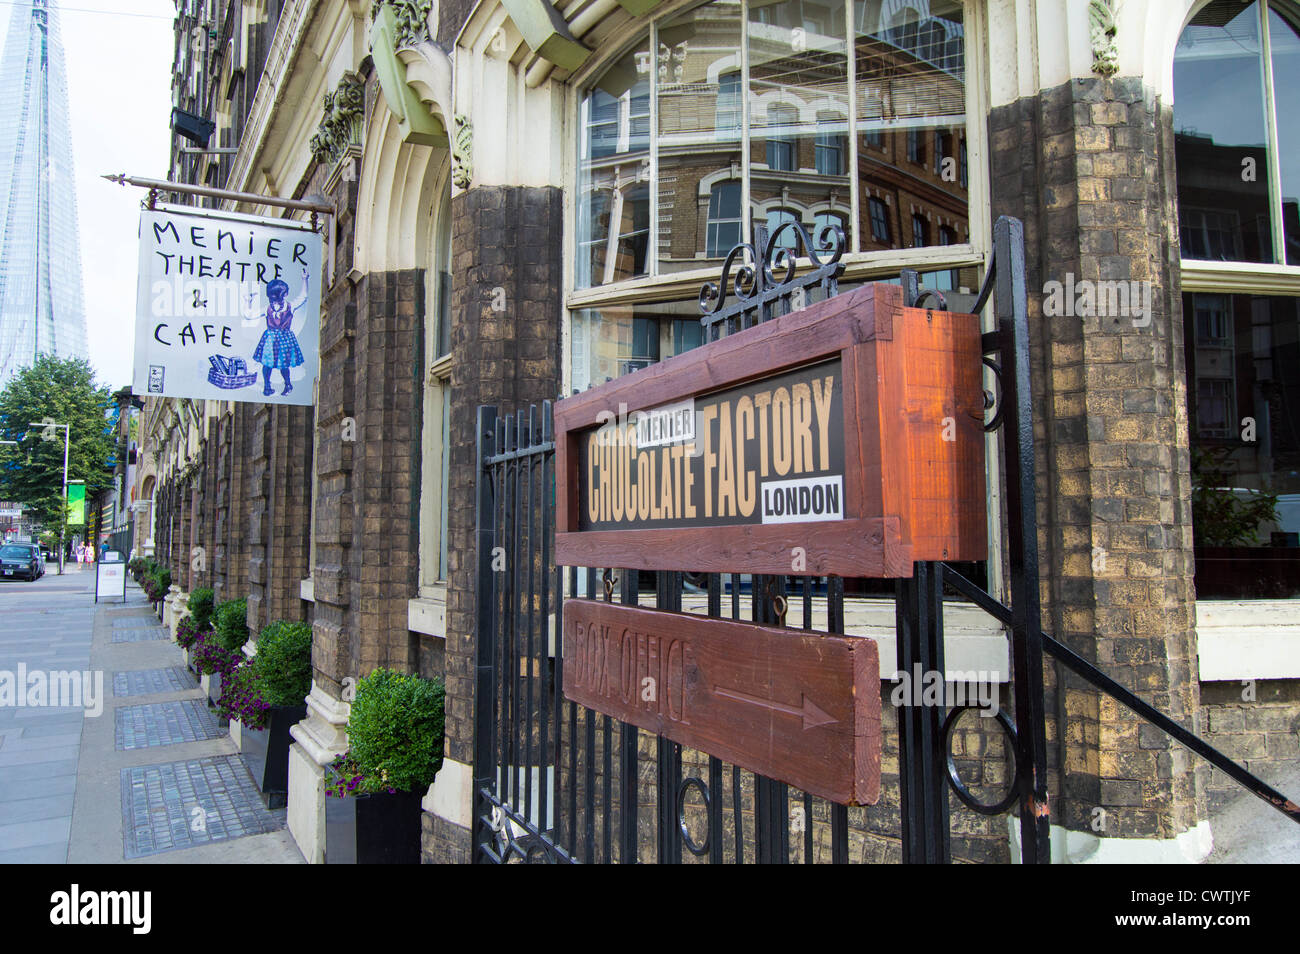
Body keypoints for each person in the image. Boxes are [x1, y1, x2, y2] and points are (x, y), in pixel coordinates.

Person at [244, 266, 310, 397]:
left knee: (283, 365)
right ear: (284, 294)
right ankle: (267, 386)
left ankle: (287, 384)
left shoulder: (288, 306)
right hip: (272, 339)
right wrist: (248, 302)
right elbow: (250, 315)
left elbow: (303, 297)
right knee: (267, 364)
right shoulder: (270, 308)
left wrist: (304, 279)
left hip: (281, 339)